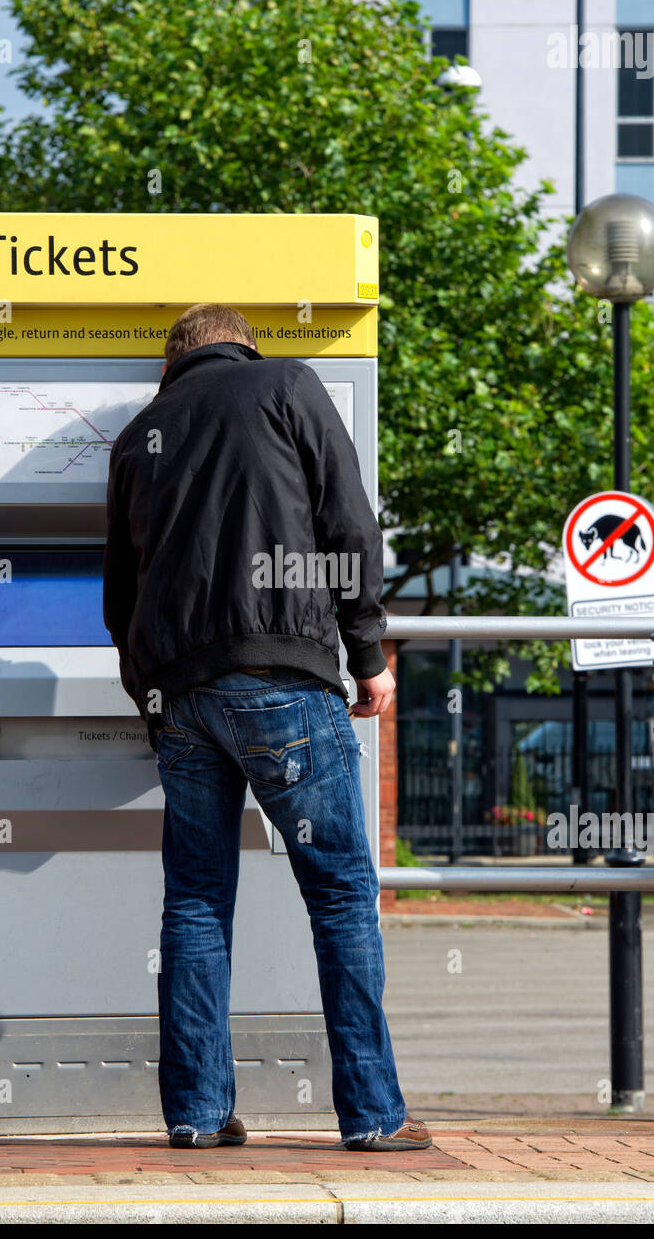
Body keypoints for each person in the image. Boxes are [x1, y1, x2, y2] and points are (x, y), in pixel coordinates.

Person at [103, 302, 430, 1153]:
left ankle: (197, 1114)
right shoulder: (287, 383)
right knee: (341, 896)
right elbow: (347, 526)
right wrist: (367, 655)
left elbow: (118, 593)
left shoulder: (137, 435)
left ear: (171, 366)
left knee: (196, 905)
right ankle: (371, 1115)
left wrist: (153, 693)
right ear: (245, 344)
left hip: (180, 698)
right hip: (283, 678)